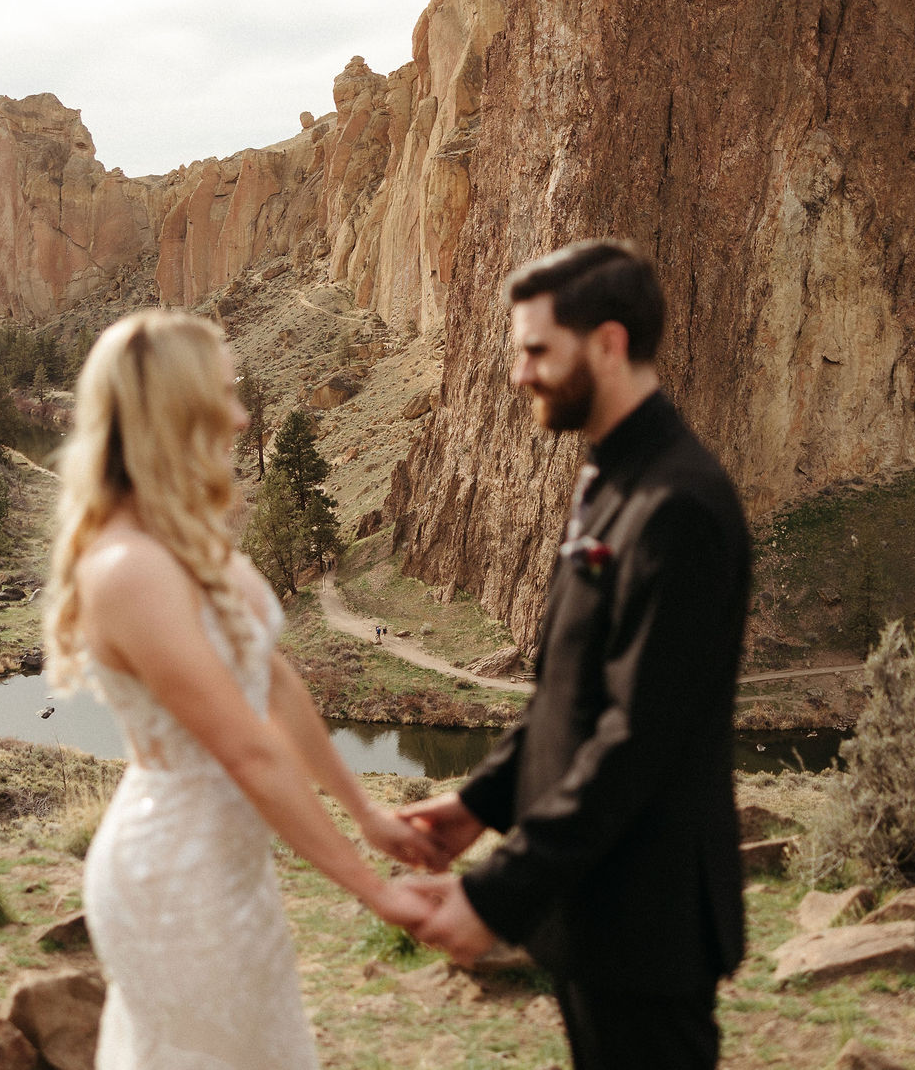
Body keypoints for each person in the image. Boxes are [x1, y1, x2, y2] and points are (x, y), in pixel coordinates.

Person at [45, 310, 435, 1069]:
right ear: (174, 410)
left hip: (232, 869)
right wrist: (375, 892)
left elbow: (274, 682)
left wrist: (367, 813)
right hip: (174, 879)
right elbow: (248, 751)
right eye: (224, 394)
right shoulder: (130, 568)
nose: (242, 414)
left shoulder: (189, 540)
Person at [399, 239, 753, 1070]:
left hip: (650, 917)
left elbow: (638, 734)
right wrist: (481, 802)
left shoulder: (681, 504)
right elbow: (569, 692)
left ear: (609, 343)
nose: (520, 374)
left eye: (536, 350)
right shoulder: (611, 479)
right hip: (595, 908)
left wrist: (493, 892)